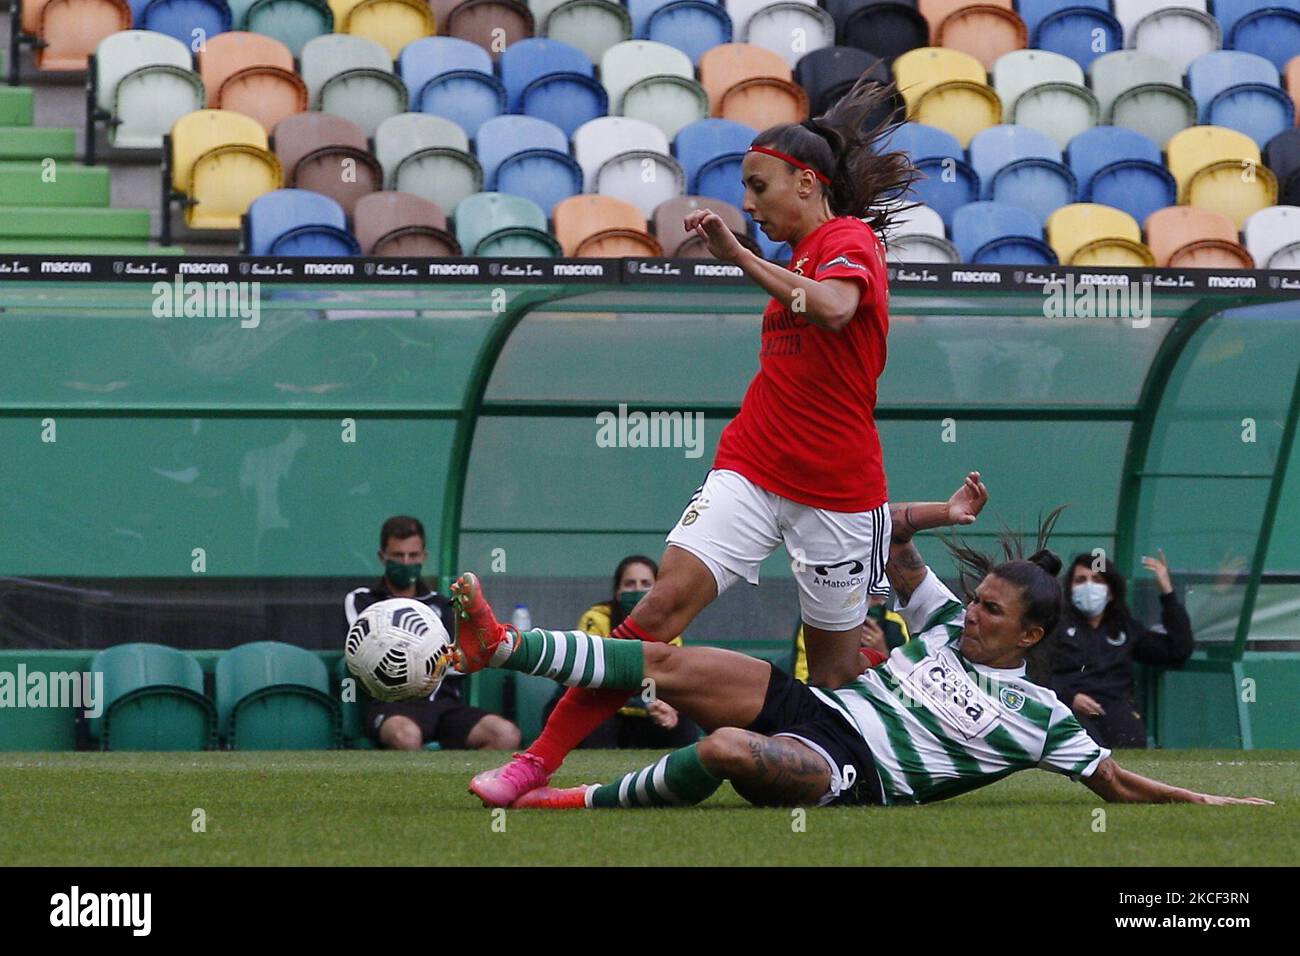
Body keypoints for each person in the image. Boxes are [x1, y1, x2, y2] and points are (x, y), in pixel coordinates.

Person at [469, 76, 920, 806]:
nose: (748, 202)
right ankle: (535, 763)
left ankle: (888, 759)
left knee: (836, 677)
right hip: (753, 465)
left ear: (807, 183)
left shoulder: (848, 240)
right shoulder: (800, 249)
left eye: (759, 185)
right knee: (654, 615)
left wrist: (740, 257)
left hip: (839, 491)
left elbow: (836, 310)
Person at [449, 474, 1271, 810]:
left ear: (1030, 633)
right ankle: (501, 647)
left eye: (991, 611)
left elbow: (1116, 784)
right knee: (664, 658)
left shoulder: (1043, 714)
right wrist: (936, 513)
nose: (972, 613)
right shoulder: (947, 621)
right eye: (977, 599)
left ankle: (571, 800)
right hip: (819, 706)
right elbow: (890, 540)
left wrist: (1208, 804)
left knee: (733, 747)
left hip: (859, 772)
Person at [344, 515, 519, 751]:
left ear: (424, 557)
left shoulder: (444, 605)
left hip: (444, 704)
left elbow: (462, 658)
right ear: (382, 556)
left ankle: (466, 786)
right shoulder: (362, 600)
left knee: (505, 734)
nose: (406, 562)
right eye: (398, 555)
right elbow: (361, 653)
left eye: (413, 556)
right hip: (389, 705)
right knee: (405, 736)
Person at [548, 555, 699, 750]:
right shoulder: (596, 619)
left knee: (680, 717)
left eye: (646, 584)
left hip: (641, 712)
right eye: (629, 584)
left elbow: (663, 678)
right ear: (618, 592)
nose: (637, 590)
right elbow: (591, 673)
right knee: (597, 716)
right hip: (598, 703)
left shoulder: (668, 626)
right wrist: (645, 698)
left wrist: (659, 703)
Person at [1047, 550, 1194, 748]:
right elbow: (1037, 673)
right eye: (1081, 580)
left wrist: (1167, 592)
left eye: (1097, 579)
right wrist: (1068, 697)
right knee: (1083, 744)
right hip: (1068, 709)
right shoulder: (1055, 628)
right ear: (1070, 589)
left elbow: (1178, 650)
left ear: (1111, 591)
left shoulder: (1125, 629)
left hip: (1115, 710)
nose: (1089, 586)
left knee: (1129, 739)